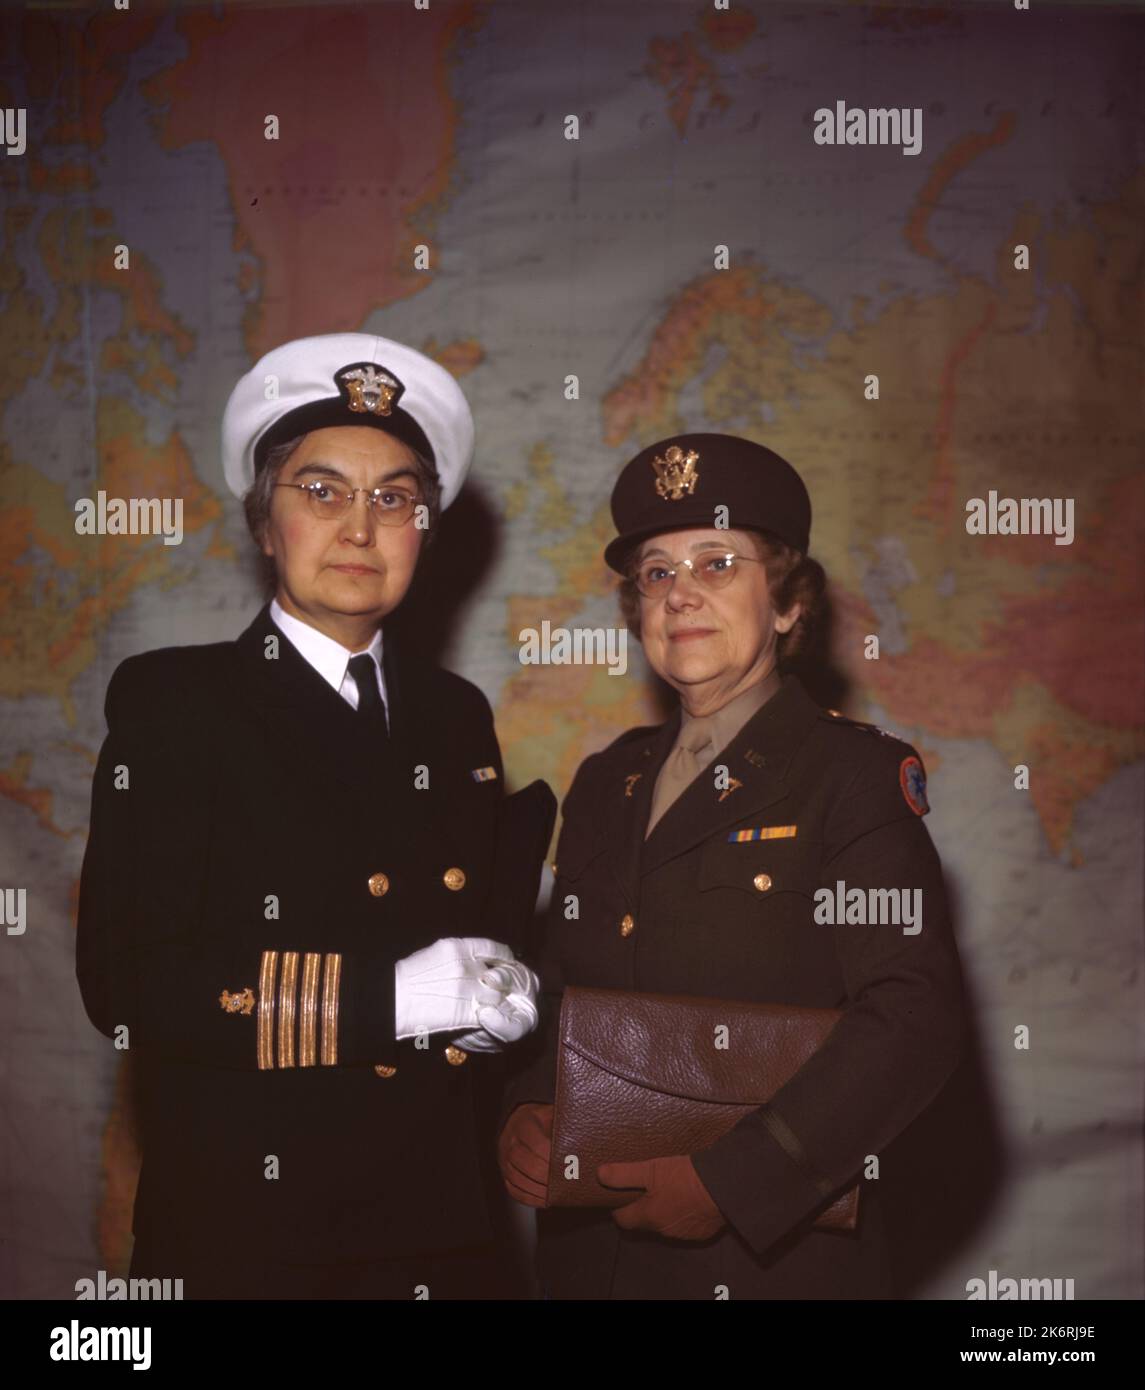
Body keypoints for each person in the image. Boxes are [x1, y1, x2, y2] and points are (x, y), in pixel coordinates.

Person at [76, 332, 554, 1299]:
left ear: (425, 528)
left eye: (395, 498)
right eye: (321, 490)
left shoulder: (455, 715)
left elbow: (467, 944)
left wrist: (506, 1007)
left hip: (439, 1230)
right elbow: (127, 982)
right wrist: (394, 1000)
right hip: (254, 1238)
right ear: (265, 525)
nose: (361, 528)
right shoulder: (178, 702)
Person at [498, 432, 969, 1299]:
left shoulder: (852, 777)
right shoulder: (606, 780)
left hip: (769, 1261)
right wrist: (530, 1103)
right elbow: (561, 982)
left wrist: (734, 1182)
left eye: (717, 564)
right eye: (656, 572)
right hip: (589, 1259)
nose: (681, 595)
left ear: (787, 604)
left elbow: (913, 1016)